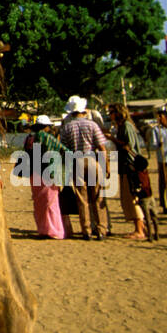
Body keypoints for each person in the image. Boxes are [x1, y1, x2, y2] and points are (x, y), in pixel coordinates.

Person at [60, 96, 108, 240]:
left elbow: (63, 149)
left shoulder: (67, 127)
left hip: (76, 161)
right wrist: (106, 166)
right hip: (92, 160)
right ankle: (101, 229)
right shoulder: (92, 125)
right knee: (98, 196)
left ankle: (86, 230)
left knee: (82, 198)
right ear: (83, 111)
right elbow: (102, 147)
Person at [23, 115, 66, 239]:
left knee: (39, 203)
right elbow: (65, 150)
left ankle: (42, 229)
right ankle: (54, 231)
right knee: (51, 202)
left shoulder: (29, 139)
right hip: (48, 173)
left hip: (33, 174)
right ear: (46, 127)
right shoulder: (48, 138)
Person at [110, 105, 148, 241]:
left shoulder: (126, 126)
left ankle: (139, 229)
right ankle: (141, 226)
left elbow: (129, 146)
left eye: (111, 112)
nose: (110, 115)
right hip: (125, 165)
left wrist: (113, 139)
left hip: (130, 165)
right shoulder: (123, 126)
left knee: (132, 198)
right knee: (129, 197)